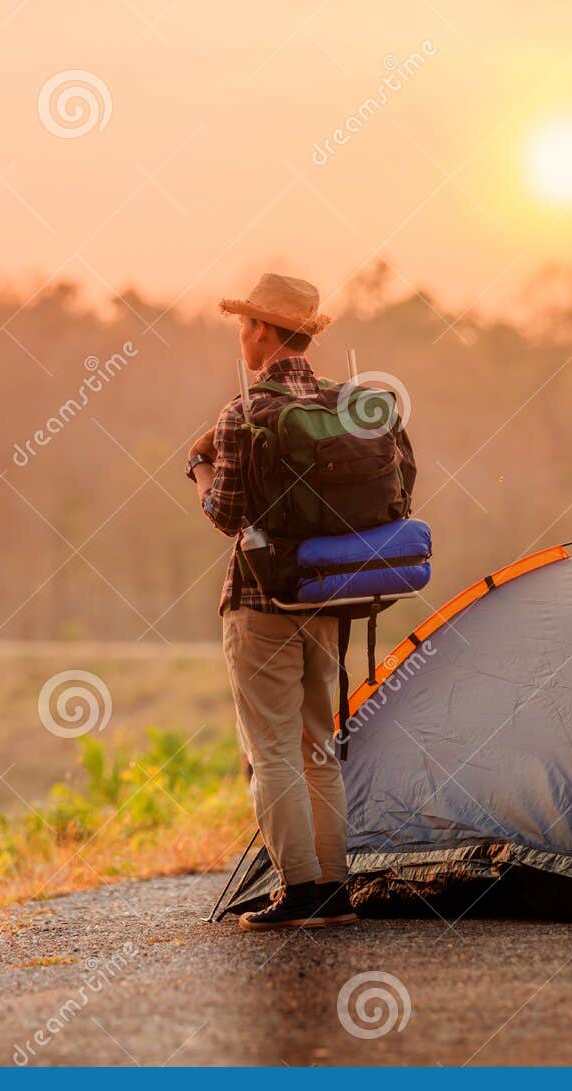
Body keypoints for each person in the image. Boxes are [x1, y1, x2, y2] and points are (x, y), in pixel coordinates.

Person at [187, 273, 357, 931]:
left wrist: (196, 466)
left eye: (245, 325)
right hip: (330, 593)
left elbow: (226, 514)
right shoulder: (343, 405)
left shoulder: (243, 412)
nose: (242, 335)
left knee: (272, 749)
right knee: (319, 743)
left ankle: (298, 889)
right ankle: (335, 889)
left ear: (261, 328)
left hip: (260, 599)